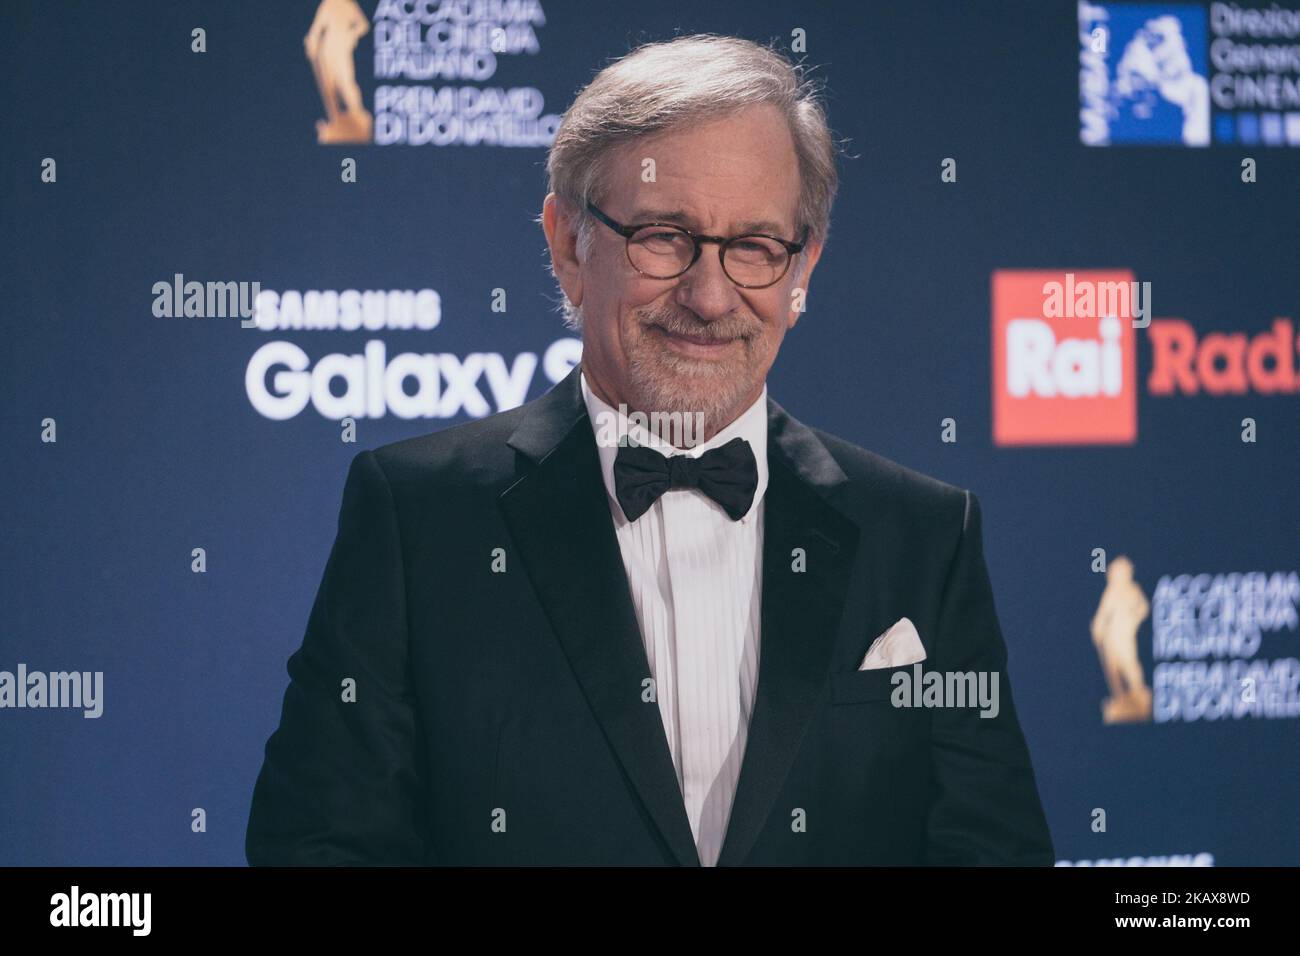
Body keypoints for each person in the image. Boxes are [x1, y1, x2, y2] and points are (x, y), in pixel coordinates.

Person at [246, 33, 1054, 866]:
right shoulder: (417, 517)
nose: (709, 296)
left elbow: (992, 851)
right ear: (568, 243)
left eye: (755, 247)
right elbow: (319, 848)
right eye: (665, 236)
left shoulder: (924, 537)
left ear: (803, 265)